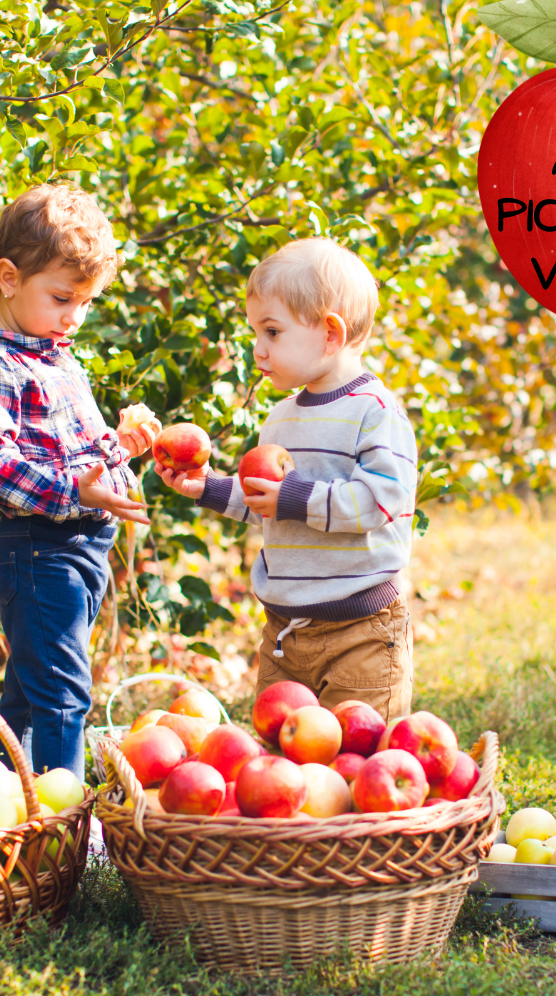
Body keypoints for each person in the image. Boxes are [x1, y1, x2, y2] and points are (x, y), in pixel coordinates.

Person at [156, 238, 416, 720]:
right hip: (284, 633)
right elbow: (272, 509)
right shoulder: (280, 417)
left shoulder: (374, 413)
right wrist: (209, 487)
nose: (258, 349)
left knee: (356, 764)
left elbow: (384, 501)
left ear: (330, 334)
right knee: (278, 765)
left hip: (360, 630)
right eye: (256, 332)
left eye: (272, 332)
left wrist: (294, 498)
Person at [0, 184, 159, 777]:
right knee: (64, 690)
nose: (75, 316)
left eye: (86, 302)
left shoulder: (57, 357)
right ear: (9, 278)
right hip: (39, 551)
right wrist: (74, 492)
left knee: (29, 685)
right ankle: (62, 820)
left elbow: (80, 460)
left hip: (82, 550)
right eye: (63, 297)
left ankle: (2, 796)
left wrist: (123, 447)